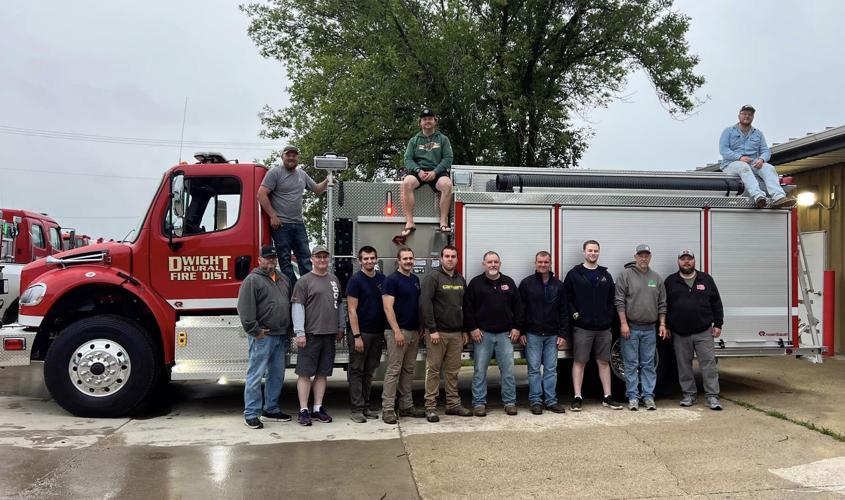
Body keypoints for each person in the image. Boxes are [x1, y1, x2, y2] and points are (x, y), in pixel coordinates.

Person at [237, 245, 293, 429]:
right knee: (256, 374)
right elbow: (244, 309)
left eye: (273, 258)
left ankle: (271, 409)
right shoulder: (252, 280)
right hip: (263, 336)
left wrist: (289, 329)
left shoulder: (284, 279)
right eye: (267, 258)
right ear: (259, 259)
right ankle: (251, 413)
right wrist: (255, 331)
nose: (271, 261)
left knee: (277, 375)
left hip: (281, 335)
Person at [564, 240, 623, 412]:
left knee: (604, 362)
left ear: (599, 253)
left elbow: (612, 300)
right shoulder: (574, 274)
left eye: (596, 250)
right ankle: (577, 396)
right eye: (590, 250)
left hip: (603, 328)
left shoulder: (606, 275)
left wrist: (608, 316)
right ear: (584, 252)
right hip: (583, 327)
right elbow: (567, 298)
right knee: (579, 361)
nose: (593, 253)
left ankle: (607, 396)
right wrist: (575, 314)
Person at [258, 144, 330, 284]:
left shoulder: (302, 175)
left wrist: (328, 179)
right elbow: (261, 194)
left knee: (305, 258)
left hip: (298, 224)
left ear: (297, 157)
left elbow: (317, 189)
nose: (291, 157)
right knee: (285, 262)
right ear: (282, 156)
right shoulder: (275, 173)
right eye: (288, 154)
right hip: (281, 226)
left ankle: (309, 287)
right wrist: (273, 215)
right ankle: (291, 290)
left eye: (294, 155)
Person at [464, 251, 523, 417]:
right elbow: (468, 308)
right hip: (482, 335)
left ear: (500, 264)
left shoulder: (509, 282)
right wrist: (473, 328)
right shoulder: (475, 283)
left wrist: (517, 327)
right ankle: (479, 403)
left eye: (496, 262)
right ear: (484, 264)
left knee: (508, 371)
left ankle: (510, 402)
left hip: (505, 335)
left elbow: (518, 308)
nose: (493, 265)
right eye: (489, 262)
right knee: (480, 371)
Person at [292, 245, 345, 426]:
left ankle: (317, 408)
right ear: (312, 259)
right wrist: (300, 332)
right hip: (310, 335)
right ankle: (303, 410)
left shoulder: (334, 280)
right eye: (318, 257)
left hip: (329, 335)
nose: (322, 260)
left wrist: (340, 326)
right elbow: (297, 307)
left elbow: (339, 305)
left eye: (325, 257)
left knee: (322, 374)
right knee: (305, 374)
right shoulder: (304, 282)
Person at [665, 250, 725, 411]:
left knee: (709, 365)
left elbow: (716, 303)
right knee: (683, 365)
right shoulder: (671, 281)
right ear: (678, 261)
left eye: (689, 259)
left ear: (694, 261)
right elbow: (664, 306)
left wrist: (718, 324)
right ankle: (689, 394)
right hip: (679, 332)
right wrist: (666, 325)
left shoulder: (706, 279)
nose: (686, 262)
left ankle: (712, 396)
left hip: (703, 331)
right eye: (683, 259)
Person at [420, 245, 472, 422]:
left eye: (453, 256)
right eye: (447, 256)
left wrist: (464, 329)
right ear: (441, 259)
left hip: (456, 334)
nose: (450, 259)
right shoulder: (432, 278)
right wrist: (432, 329)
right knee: (433, 370)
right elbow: (425, 304)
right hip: (437, 334)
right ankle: (430, 407)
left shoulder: (460, 280)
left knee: (453, 371)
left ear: (457, 259)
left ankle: (453, 405)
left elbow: (465, 307)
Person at [615, 244, 668, 411]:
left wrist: (662, 324)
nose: (643, 258)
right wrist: (623, 323)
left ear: (650, 257)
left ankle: (648, 396)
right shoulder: (626, 275)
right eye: (641, 255)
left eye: (646, 255)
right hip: (630, 328)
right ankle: (632, 397)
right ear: (635, 256)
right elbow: (619, 301)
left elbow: (662, 304)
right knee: (630, 364)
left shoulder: (656, 278)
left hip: (650, 329)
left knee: (648, 365)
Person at [519, 251, 568, 415]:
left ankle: (551, 401)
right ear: (535, 263)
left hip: (552, 335)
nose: (543, 265)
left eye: (546, 262)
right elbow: (521, 310)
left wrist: (563, 334)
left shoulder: (558, 285)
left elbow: (564, 311)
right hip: (532, 334)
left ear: (550, 264)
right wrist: (522, 331)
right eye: (540, 262)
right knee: (533, 369)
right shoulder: (526, 284)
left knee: (551, 370)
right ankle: (535, 402)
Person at [381, 247, 426, 424]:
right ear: (398, 261)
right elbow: (387, 307)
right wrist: (397, 331)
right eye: (405, 259)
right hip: (396, 333)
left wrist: (420, 325)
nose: (408, 261)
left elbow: (416, 305)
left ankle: (406, 406)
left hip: (413, 331)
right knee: (394, 370)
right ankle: (388, 409)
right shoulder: (391, 280)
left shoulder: (415, 280)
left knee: (408, 370)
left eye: (410, 258)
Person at [719, 105, 795, 209]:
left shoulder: (758, 134)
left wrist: (761, 159)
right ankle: (758, 196)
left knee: (769, 168)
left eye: (750, 114)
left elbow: (765, 150)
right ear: (739, 116)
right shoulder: (728, 131)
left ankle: (779, 197)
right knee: (743, 166)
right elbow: (724, 150)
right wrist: (740, 157)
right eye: (744, 114)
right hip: (731, 165)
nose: (747, 116)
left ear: (753, 117)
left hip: (752, 163)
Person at [345, 245, 386, 423]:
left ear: (376, 259)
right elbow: (352, 310)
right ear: (360, 261)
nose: (369, 261)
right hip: (360, 334)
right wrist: (356, 336)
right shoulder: (355, 280)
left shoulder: (382, 279)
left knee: (369, 372)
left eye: (372, 258)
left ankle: (366, 405)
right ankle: (357, 409)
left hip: (377, 333)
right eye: (365, 259)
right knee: (356, 371)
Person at [399, 108, 454, 238]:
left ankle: (443, 221)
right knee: (406, 182)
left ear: (435, 121)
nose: (427, 121)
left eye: (430, 119)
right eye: (424, 119)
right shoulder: (414, 140)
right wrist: (418, 171)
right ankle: (410, 222)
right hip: (419, 172)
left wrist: (435, 172)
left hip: (437, 172)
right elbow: (407, 159)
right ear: (420, 123)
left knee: (447, 185)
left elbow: (448, 158)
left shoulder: (443, 139)